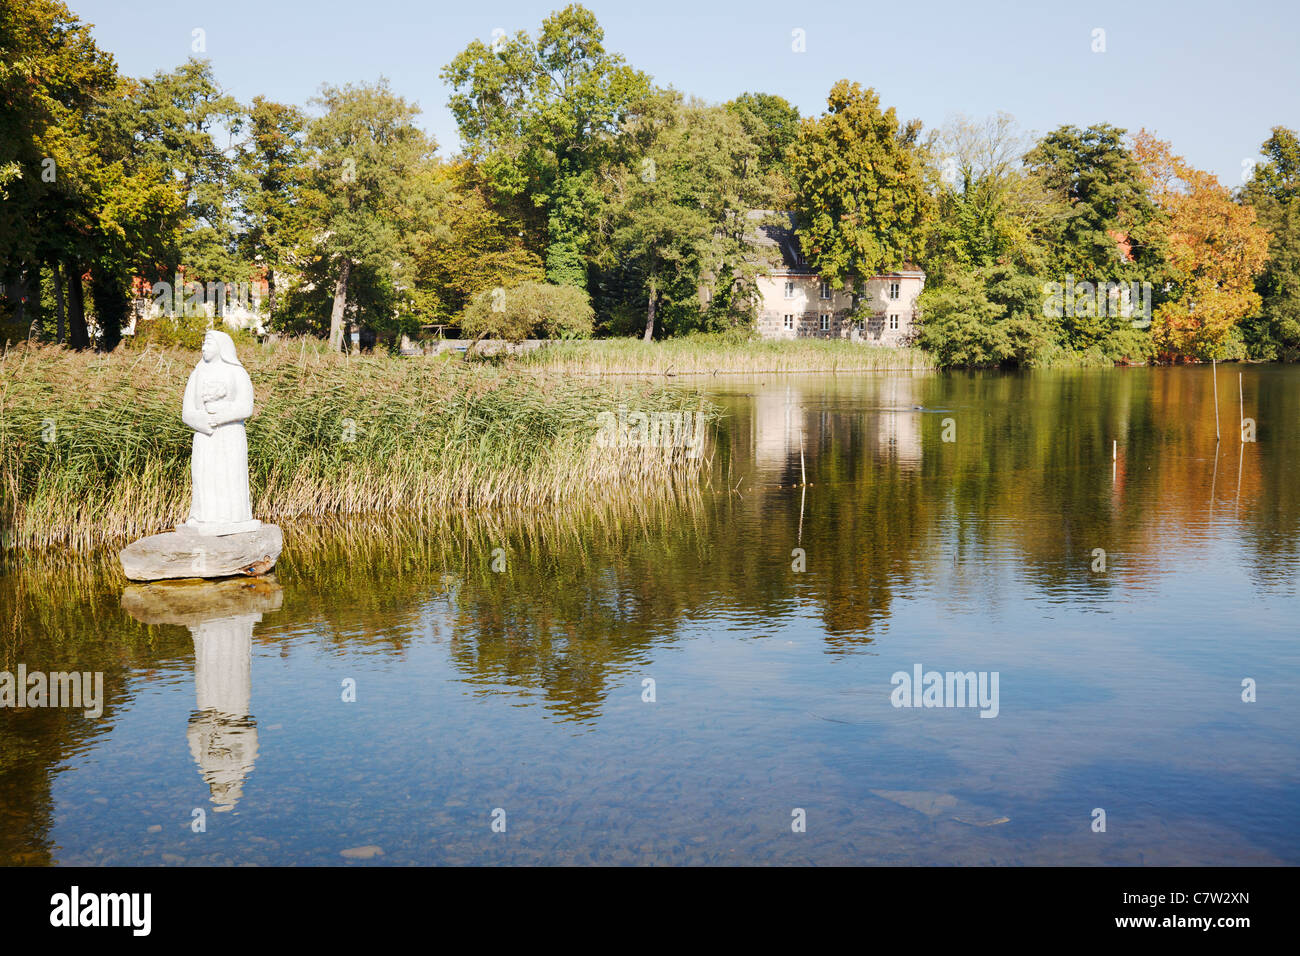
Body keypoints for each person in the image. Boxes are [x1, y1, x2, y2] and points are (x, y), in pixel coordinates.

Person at [180, 330, 260, 534]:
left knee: (229, 474)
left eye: (208, 343)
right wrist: (204, 422)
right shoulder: (197, 374)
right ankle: (202, 516)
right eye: (203, 344)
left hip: (230, 434)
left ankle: (232, 518)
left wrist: (222, 416)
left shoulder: (237, 372)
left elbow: (246, 407)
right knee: (203, 474)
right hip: (205, 436)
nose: (204, 348)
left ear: (222, 347)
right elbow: (187, 412)